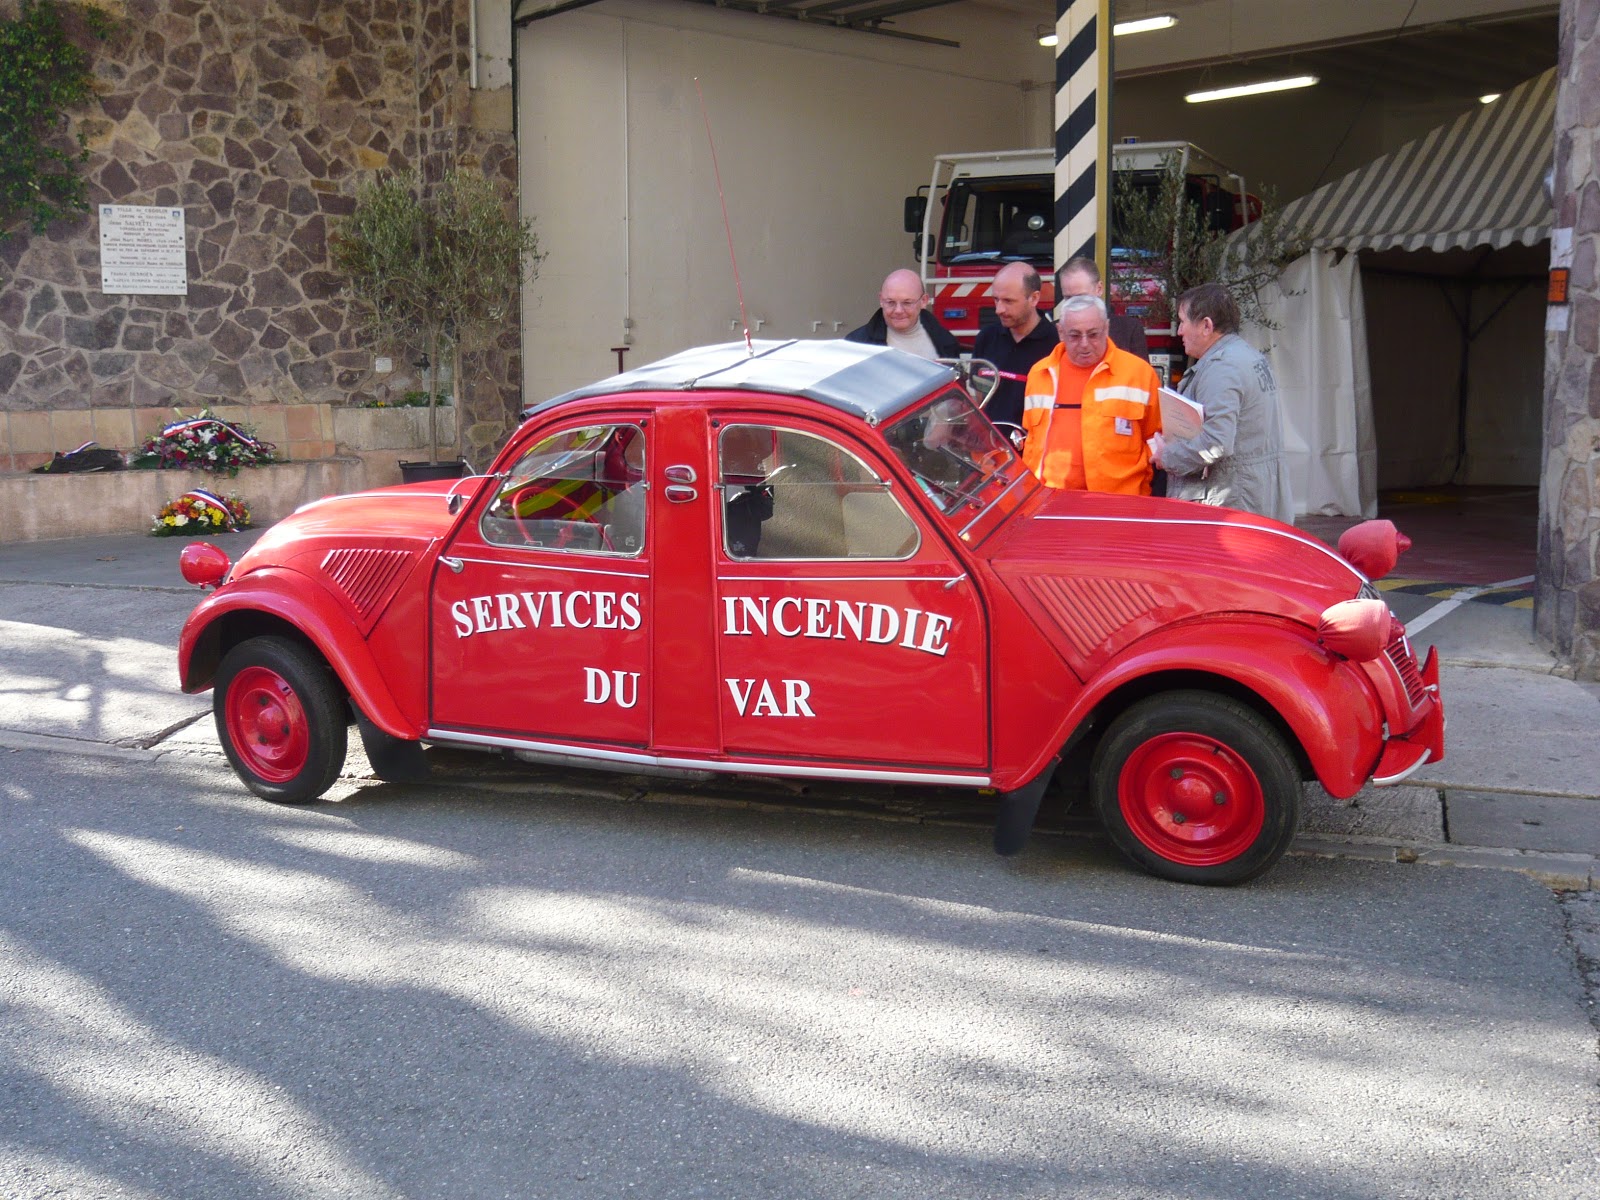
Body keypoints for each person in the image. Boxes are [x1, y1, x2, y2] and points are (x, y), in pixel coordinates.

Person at [1154, 283, 1294, 523]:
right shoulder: (1247, 356)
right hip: (1250, 495)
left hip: (1231, 503)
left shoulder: (1222, 368)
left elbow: (1217, 442)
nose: (1179, 332)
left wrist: (1166, 456)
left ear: (1206, 325)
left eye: (1183, 321)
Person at [1020, 294, 1162, 495]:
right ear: (1061, 332)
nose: (1085, 344)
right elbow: (1033, 441)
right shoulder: (1040, 373)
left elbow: (1157, 438)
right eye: (1075, 335)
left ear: (1106, 328)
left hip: (1119, 503)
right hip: (1048, 500)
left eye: (1093, 334)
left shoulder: (1138, 373)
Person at [970, 261, 1058, 431]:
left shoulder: (1056, 346)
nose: (998, 309)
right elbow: (980, 398)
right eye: (996, 300)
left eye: (1008, 301)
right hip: (993, 451)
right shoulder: (986, 339)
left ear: (1034, 298)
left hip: (1037, 451)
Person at [845, 268, 961, 360]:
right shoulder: (856, 345)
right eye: (890, 302)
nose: (898, 310)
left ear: (923, 301)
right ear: (881, 300)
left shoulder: (946, 341)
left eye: (907, 303)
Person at [1056, 256, 1149, 362]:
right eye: (1068, 298)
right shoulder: (1054, 332)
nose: (1076, 303)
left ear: (1099, 289)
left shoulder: (1129, 329)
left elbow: (1141, 374)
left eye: (1082, 297)